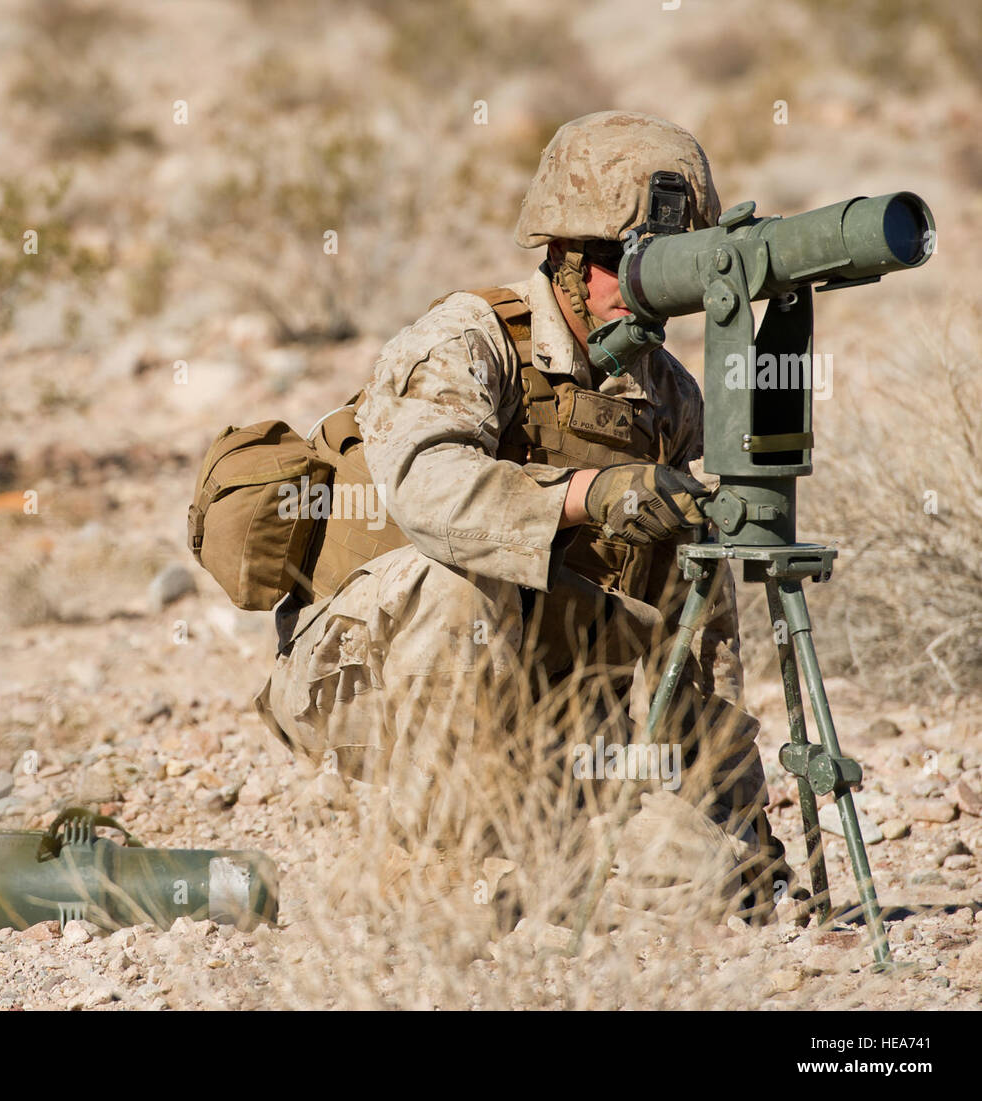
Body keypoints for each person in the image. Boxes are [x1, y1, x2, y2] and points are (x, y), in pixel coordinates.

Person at [255, 110, 792, 925]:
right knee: (455, 580)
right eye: (627, 262)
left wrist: (738, 819)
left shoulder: (667, 397)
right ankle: (427, 865)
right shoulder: (469, 339)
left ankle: (529, 857)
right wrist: (587, 495)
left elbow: (695, 619)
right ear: (565, 254)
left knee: (703, 880)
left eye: (673, 265)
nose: (648, 290)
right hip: (373, 675)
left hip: (548, 719)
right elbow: (428, 490)